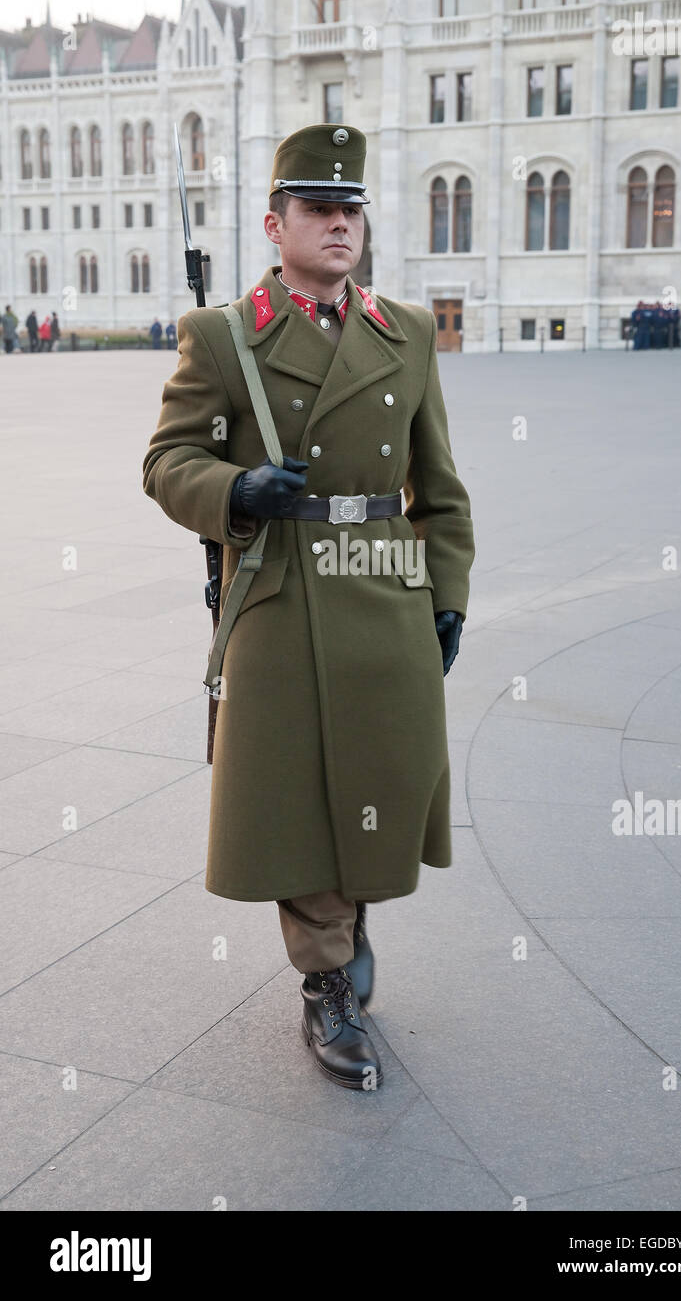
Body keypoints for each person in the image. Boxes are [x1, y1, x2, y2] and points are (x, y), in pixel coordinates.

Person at [143, 124, 475, 1091]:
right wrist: (235, 491)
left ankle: (350, 916)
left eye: (350, 211)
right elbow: (167, 461)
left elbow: (440, 488)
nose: (339, 225)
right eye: (318, 210)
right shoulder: (223, 335)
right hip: (281, 587)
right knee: (293, 788)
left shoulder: (406, 331)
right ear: (274, 224)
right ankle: (325, 976)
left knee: (382, 773)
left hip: (385, 582)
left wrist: (448, 596)